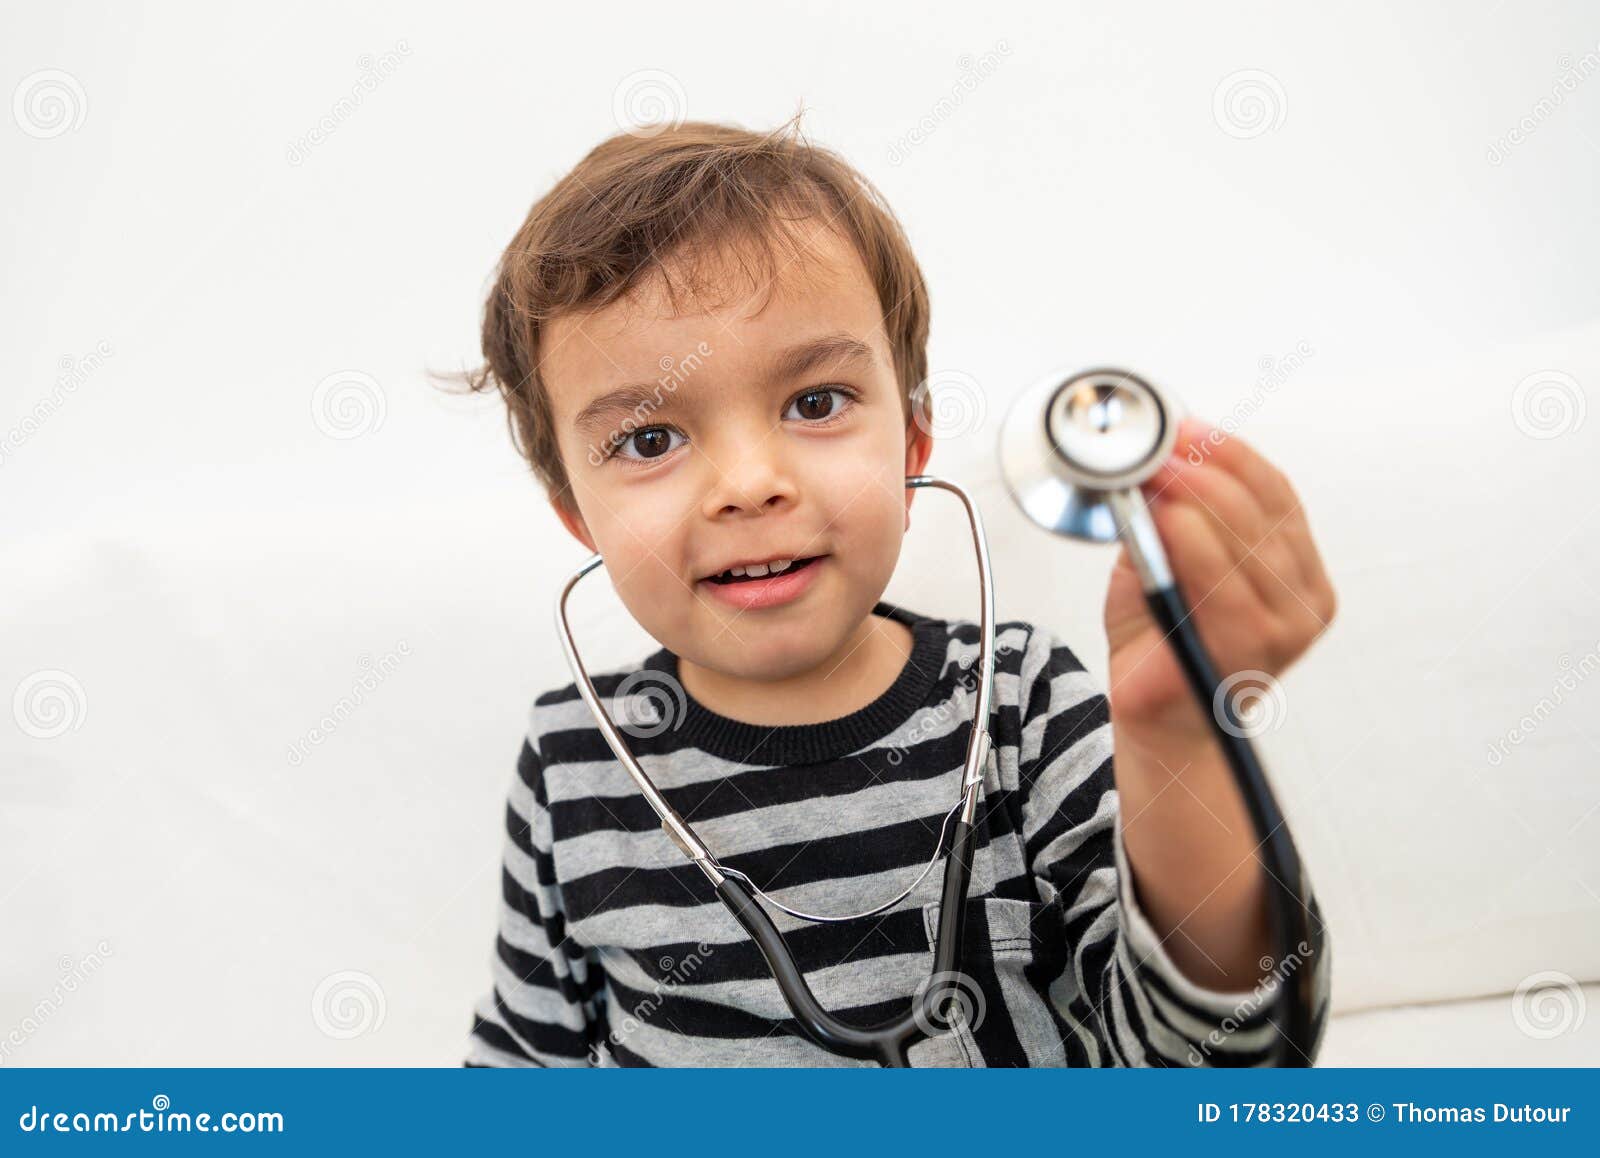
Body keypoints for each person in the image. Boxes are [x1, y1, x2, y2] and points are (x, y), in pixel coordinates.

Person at [457, 115, 1336, 1067]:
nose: (749, 483)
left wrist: (1179, 737)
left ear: (913, 448)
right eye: (650, 440)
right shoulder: (570, 765)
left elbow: (1215, 1067)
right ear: (578, 518)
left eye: (816, 402)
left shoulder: (1022, 707)